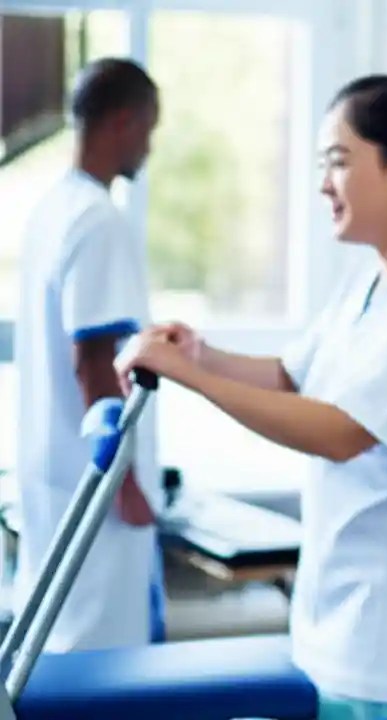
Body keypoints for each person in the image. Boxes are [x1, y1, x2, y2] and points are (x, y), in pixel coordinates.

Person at [116, 76, 387, 720]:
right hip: (339, 619)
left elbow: (341, 432)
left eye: (338, 161)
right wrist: (199, 354)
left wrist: (190, 380)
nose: (323, 183)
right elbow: (294, 376)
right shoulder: (378, 281)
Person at [15, 57, 162, 651]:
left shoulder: (54, 208)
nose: (148, 148)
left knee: (56, 647)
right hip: (93, 491)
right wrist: (121, 483)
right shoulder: (98, 220)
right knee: (103, 663)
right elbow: (93, 358)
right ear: (122, 122)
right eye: (148, 131)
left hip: (55, 478)